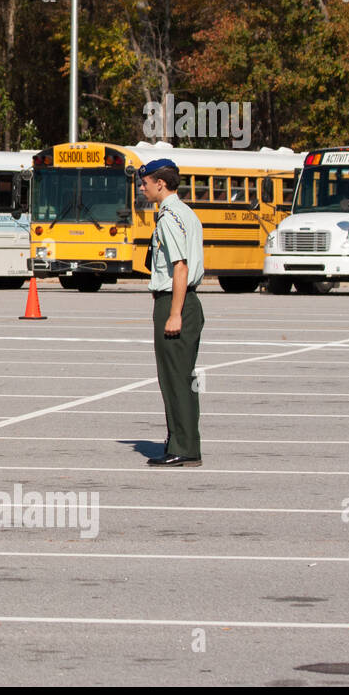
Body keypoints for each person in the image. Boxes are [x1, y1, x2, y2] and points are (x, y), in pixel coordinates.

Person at [139, 158, 206, 467]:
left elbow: (180, 267)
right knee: (182, 377)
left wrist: (174, 313)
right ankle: (183, 442)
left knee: (174, 378)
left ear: (160, 184)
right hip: (185, 300)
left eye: (146, 183)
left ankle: (183, 446)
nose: (143, 188)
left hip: (174, 300)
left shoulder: (169, 218)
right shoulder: (186, 213)